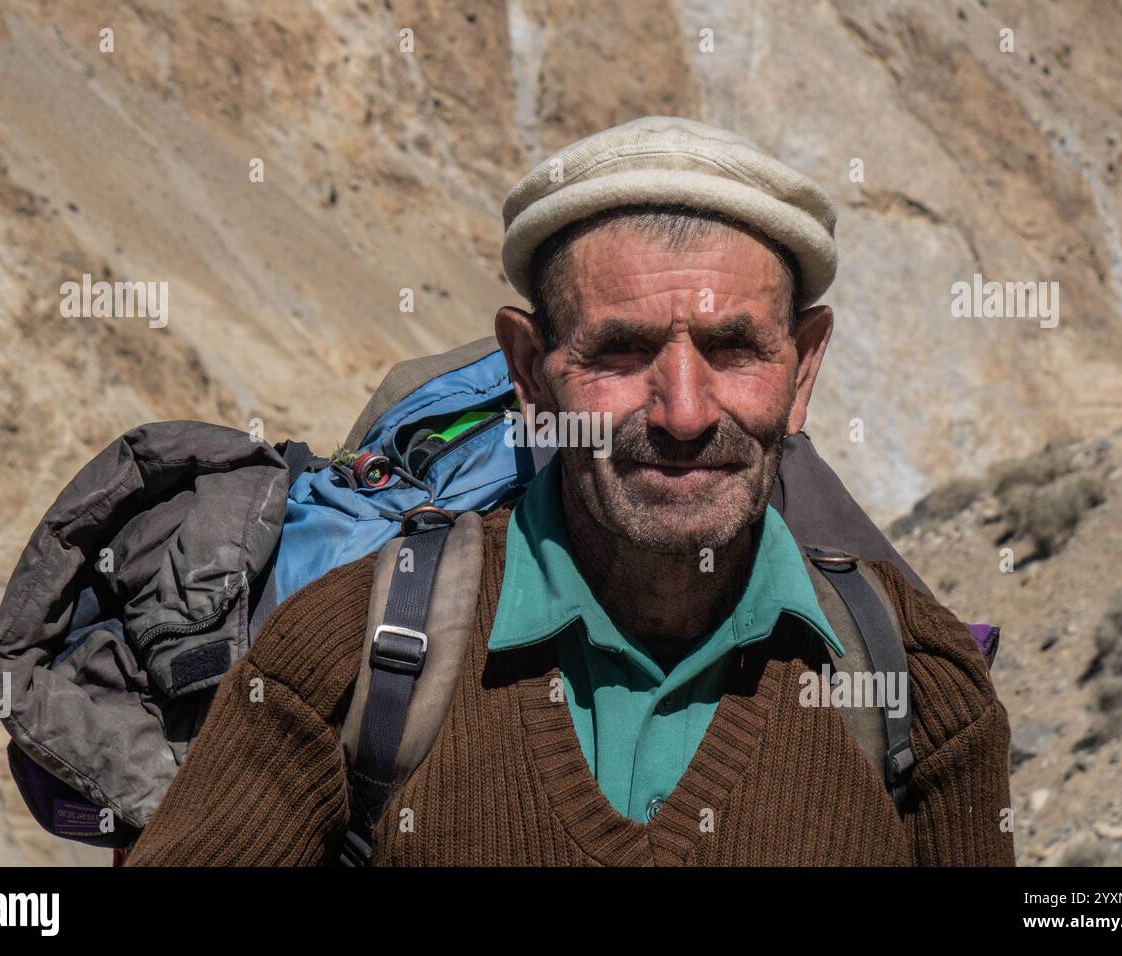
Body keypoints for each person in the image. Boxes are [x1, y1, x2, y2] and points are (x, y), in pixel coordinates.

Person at [125, 116, 1014, 866]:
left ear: (804, 364)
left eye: (734, 349)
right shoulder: (345, 655)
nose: (684, 412)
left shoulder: (914, 683)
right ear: (531, 373)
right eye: (620, 352)